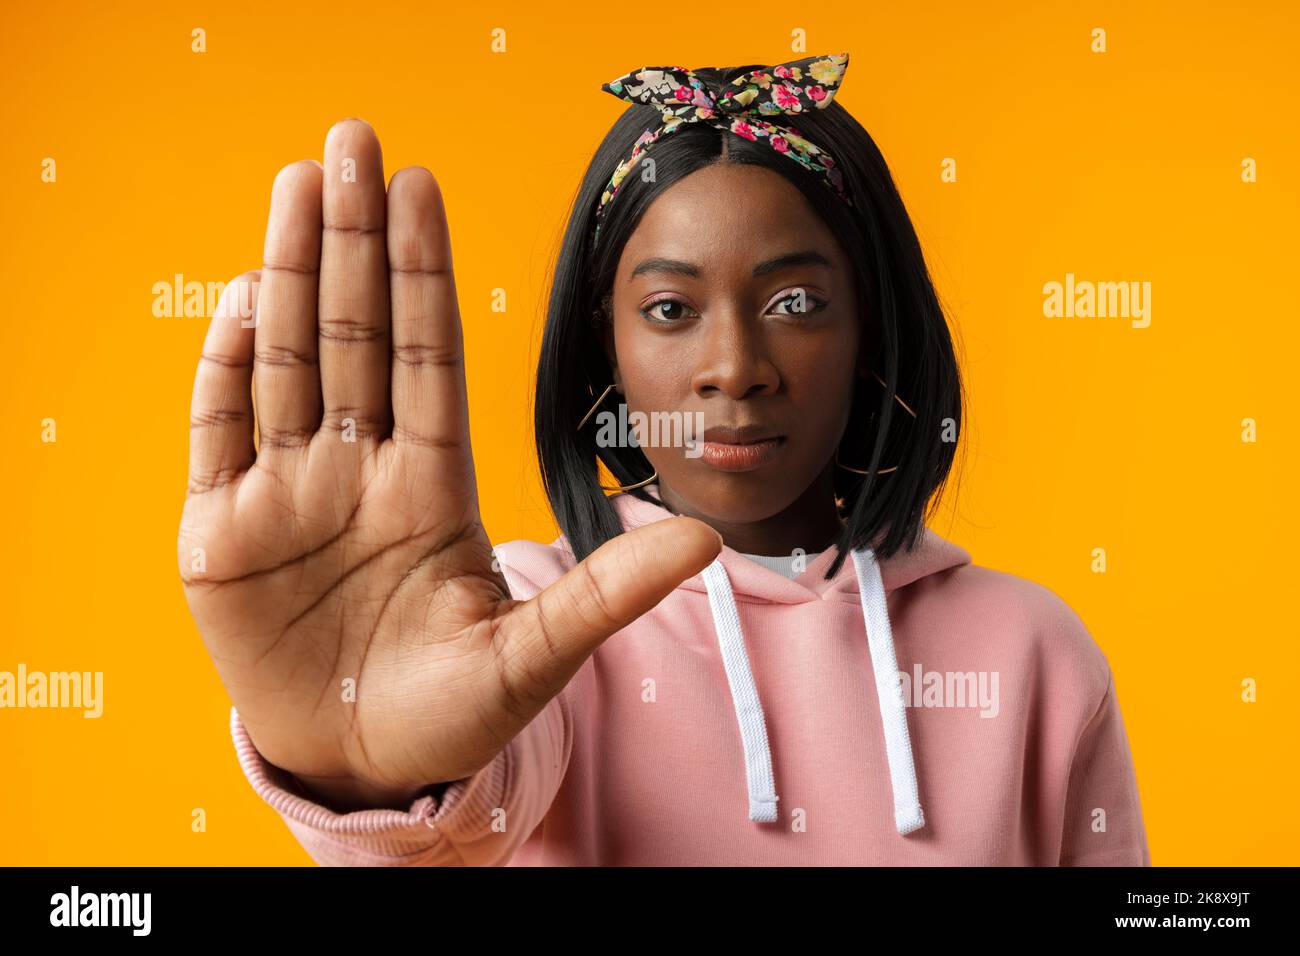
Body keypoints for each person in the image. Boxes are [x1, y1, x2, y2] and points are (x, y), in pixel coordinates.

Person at [179, 54, 1150, 865]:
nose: (733, 367)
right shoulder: (513, 616)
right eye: (670, 310)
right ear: (604, 348)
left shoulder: (1034, 651)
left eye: (796, 303)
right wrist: (363, 769)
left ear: (873, 330)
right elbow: (458, 812)